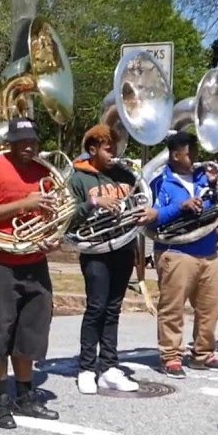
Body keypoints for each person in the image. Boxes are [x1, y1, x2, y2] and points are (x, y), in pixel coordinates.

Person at [0, 117, 60, 429]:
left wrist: (54, 235)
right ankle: (1, 401)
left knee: (29, 334)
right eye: (22, 142)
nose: (29, 147)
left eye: (33, 141)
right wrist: (25, 203)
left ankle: (25, 397)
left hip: (35, 262)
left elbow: (55, 214)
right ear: (9, 142)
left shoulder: (45, 172)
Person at [66, 124, 148, 394]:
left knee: (114, 309)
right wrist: (94, 204)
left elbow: (141, 199)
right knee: (96, 308)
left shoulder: (124, 175)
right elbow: (66, 216)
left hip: (123, 248)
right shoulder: (78, 179)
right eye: (108, 149)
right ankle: (87, 368)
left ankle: (109, 366)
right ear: (92, 150)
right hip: (95, 251)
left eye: (115, 148)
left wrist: (142, 212)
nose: (114, 154)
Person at [150, 131, 218, 379]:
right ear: (175, 155)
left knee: (209, 307)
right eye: (189, 152)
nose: (195, 157)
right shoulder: (159, 182)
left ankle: (203, 354)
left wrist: (215, 187)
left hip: (208, 251)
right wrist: (180, 207)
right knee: (172, 308)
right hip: (176, 252)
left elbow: (217, 208)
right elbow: (151, 219)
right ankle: (171, 356)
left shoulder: (204, 178)